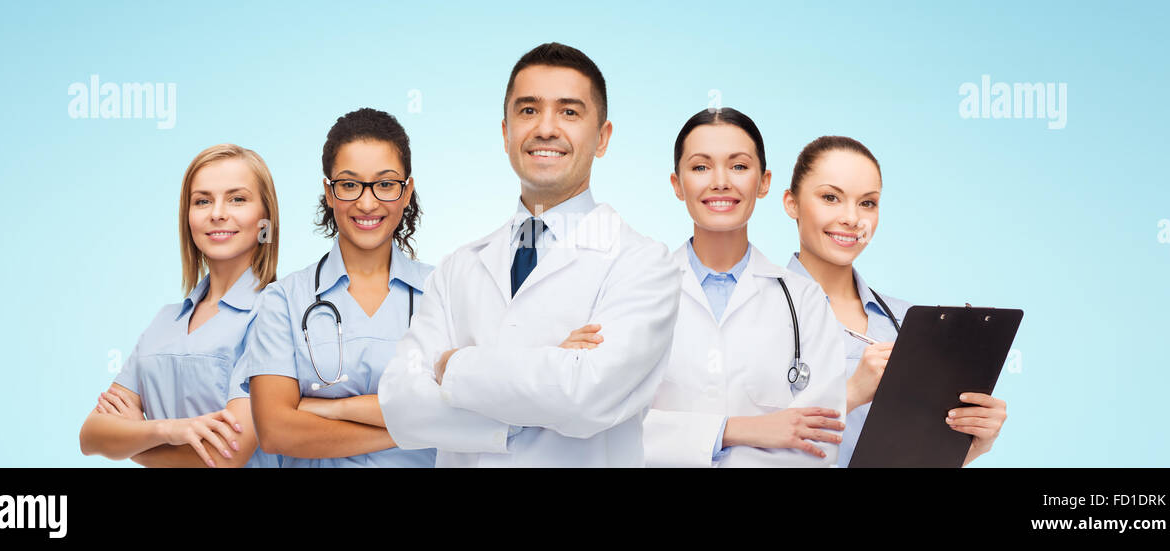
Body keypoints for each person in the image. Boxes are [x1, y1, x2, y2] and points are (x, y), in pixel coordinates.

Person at [377, 42, 680, 467]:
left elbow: (584, 396)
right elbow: (400, 404)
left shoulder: (644, 263)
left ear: (603, 137)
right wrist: (545, 374)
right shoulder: (458, 267)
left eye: (569, 112)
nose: (546, 129)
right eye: (528, 110)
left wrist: (454, 365)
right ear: (505, 133)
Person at [782, 135, 1008, 467]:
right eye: (830, 197)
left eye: (867, 203)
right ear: (791, 203)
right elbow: (736, 445)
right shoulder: (753, 309)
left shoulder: (907, 322)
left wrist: (972, 444)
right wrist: (852, 392)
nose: (851, 218)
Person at [641, 108, 846, 467]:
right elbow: (613, 431)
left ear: (763, 182)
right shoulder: (638, 290)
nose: (720, 182)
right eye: (701, 167)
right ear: (677, 184)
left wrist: (683, 441)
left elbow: (820, 443)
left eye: (738, 166)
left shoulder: (804, 301)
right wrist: (736, 429)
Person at [237, 108, 436, 467]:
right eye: (349, 184)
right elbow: (276, 432)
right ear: (329, 193)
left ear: (407, 192)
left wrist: (331, 408)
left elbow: (466, 411)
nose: (367, 202)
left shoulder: (446, 291)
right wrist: (413, 428)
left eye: (386, 184)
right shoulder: (283, 301)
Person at [79, 143, 280, 468]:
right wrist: (169, 429)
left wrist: (133, 441)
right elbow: (90, 436)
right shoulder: (165, 321)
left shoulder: (275, 314)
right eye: (202, 201)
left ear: (265, 222)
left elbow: (226, 454)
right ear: (188, 219)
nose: (217, 213)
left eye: (237, 199)